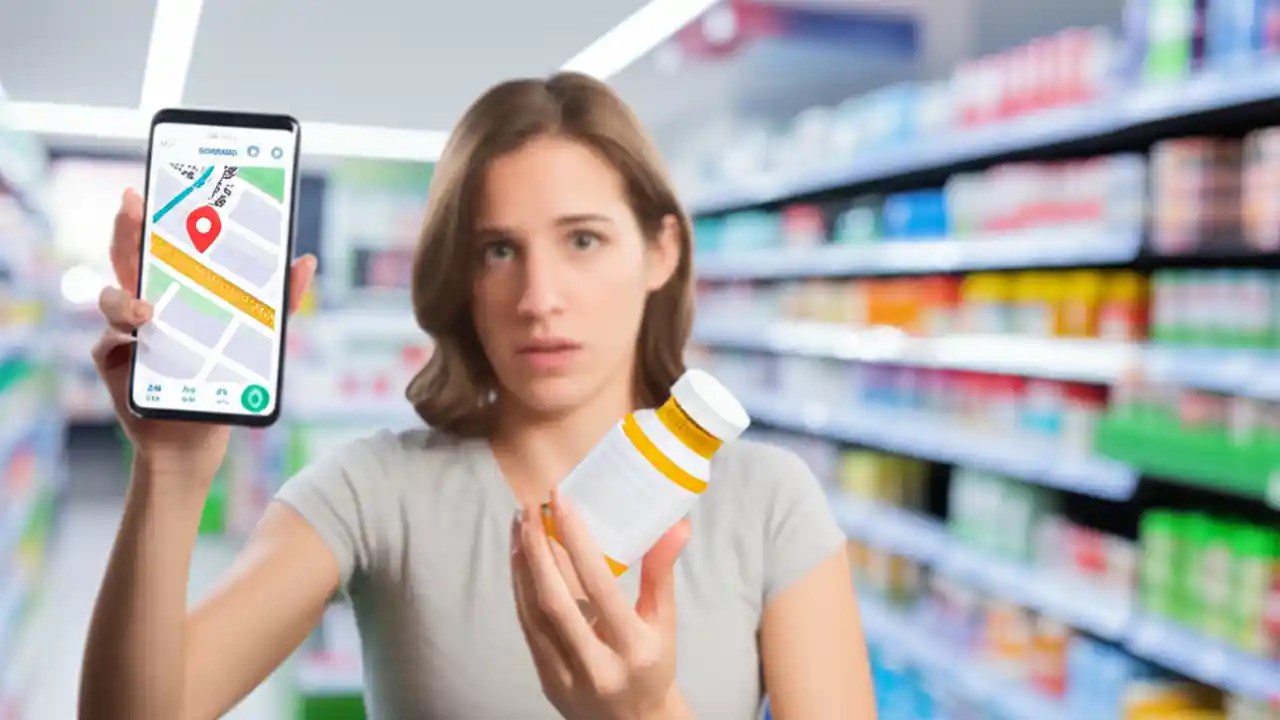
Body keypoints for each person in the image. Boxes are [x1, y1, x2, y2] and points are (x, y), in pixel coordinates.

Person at [80, 72, 874, 720]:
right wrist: (173, 469)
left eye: (584, 239)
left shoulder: (769, 502)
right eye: (498, 250)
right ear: (460, 275)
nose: (539, 297)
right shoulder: (371, 492)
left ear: (661, 250)